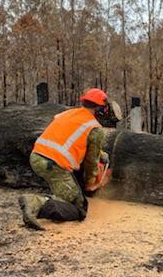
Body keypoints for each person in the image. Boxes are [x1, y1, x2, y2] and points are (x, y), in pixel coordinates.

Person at [19, 89, 119, 229]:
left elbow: (70, 139)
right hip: (54, 164)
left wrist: (100, 154)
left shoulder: (68, 113)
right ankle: (36, 203)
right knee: (79, 207)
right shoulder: (94, 129)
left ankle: (53, 199)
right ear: (99, 109)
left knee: (66, 191)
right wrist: (91, 181)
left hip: (38, 156)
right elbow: (91, 162)